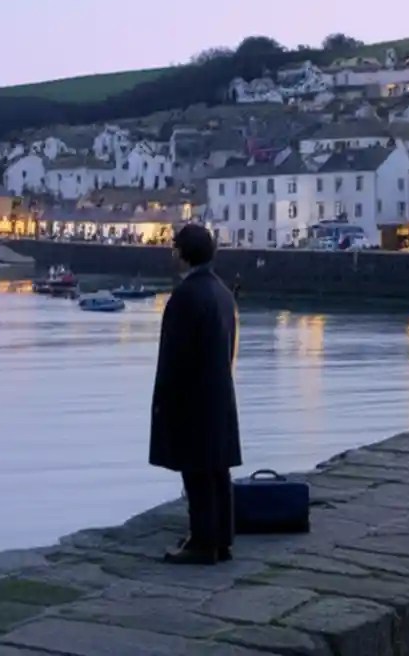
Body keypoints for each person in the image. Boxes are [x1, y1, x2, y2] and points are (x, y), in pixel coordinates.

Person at [149, 223, 242, 565]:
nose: (172, 253)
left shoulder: (186, 296)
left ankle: (202, 542)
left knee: (197, 471)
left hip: (192, 395)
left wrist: (165, 403)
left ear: (183, 253)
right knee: (217, 469)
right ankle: (221, 538)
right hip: (219, 392)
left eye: (175, 248)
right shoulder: (221, 292)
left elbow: (173, 354)